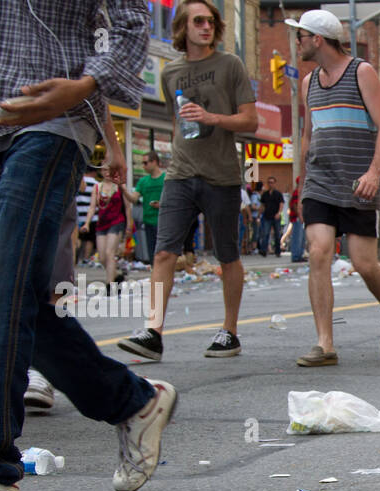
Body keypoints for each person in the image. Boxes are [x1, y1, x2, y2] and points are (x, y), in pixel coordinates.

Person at [0, 0, 176, 491]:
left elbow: (132, 24)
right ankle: (134, 403)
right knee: (11, 303)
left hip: (53, 125)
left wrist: (88, 84)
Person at [119, 1, 258, 361]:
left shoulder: (230, 65)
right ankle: (153, 331)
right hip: (180, 172)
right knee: (165, 251)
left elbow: (250, 121)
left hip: (221, 174)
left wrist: (212, 117)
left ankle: (230, 331)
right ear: (182, 26)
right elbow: (178, 122)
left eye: (211, 22)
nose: (206, 27)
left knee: (226, 255)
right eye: (198, 21)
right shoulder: (170, 72)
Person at [288, 9, 380, 367]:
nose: (297, 42)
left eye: (300, 36)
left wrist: (373, 173)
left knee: (364, 264)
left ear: (317, 39)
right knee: (319, 252)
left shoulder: (361, 72)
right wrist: (302, 184)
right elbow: (309, 135)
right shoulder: (308, 83)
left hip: (358, 184)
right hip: (321, 181)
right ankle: (325, 344)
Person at [85, 174, 132, 290]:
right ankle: (116, 275)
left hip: (117, 222)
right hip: (101, 223)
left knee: (109, 252)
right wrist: (87, 223)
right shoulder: (97, 187)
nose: (106, 173)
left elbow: (127, 207)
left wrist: (129, 224)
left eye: (108, 170)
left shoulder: (119, 186)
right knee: (102, 258)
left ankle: (110, 285)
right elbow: (92, 207)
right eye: (104, 170)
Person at [134, 151, 165, 265]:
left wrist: (162, 204)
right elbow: (133, 198)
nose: (143, 166)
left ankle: (161, 277)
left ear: (154, 162)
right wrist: (122, 188)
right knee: (152, 253)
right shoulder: (143, 181)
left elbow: (175, 199)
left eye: (145, 163)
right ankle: (156, 278)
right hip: (148, 220)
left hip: (163, 221)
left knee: (163, 252)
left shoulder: (166, 179)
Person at [257, 176, 284, 256]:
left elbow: (281, 204)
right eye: (269, 182)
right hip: (267, 216)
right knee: (265, 233)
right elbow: (262, 205)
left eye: (272, 182)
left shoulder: (278, 194)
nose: (270, 184)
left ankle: (277, 251)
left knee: (277, 234)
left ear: (274, 183)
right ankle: (264, 250)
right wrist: (259, 215)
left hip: (276, 216)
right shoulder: (265, 194)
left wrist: (279, 213)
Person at [287, 175, 306, 261]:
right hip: (298, 218)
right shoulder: (298, 192)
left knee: (301, 238)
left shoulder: (300, 192)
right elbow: (294, 204)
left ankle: (299, 255)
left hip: (299, 218)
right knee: (297, 238)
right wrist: (300, 216)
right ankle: (296, 256)